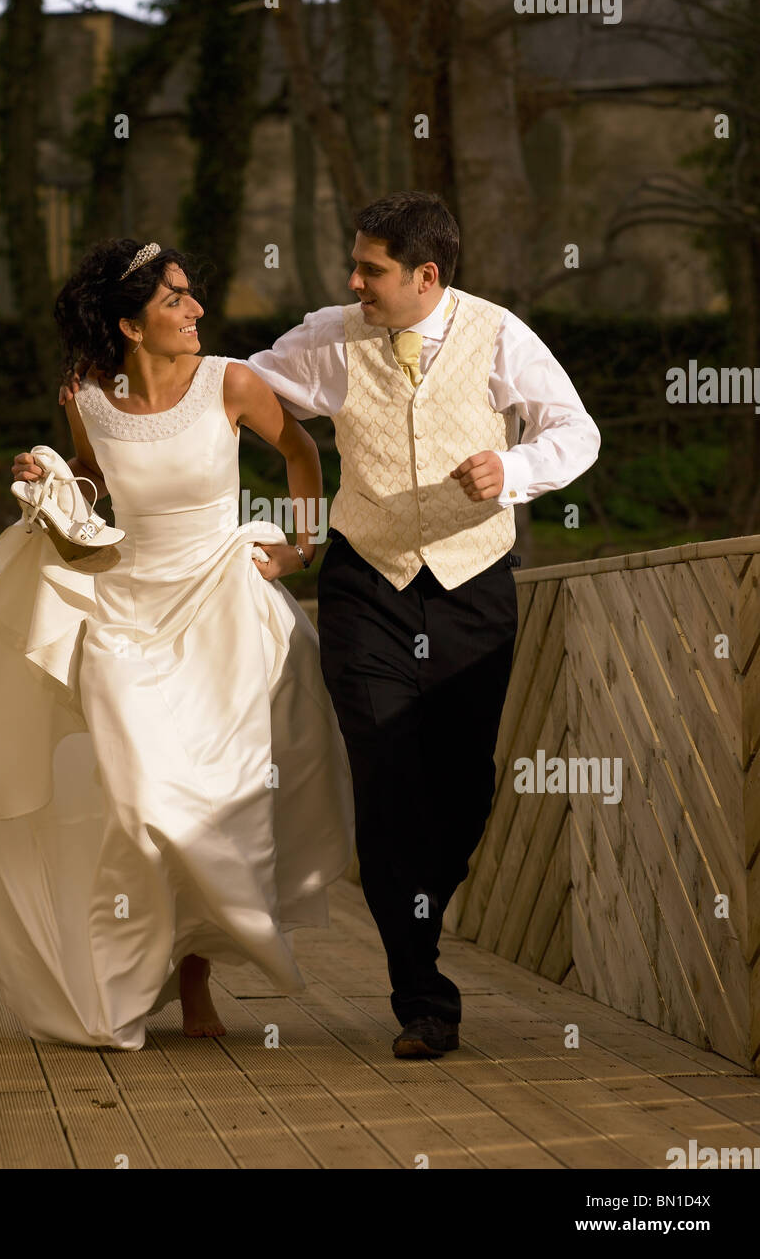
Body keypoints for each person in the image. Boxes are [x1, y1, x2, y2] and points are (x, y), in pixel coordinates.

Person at [0, 238, 354, 1049]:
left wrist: (303, 549)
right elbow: (94, 478)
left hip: (223, 606)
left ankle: (193, 979)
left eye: (190, 294)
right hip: (124, 612)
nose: (196, 309)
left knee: (209, 800)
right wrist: (53, 477)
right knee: (142, 799)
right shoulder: (85, 396)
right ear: (129, 324)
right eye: (175, 299)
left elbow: (301, 451)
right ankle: (129, 975)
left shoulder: (231, 381)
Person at [242, 191, 601, 1058]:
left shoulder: (499, 334)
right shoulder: (329, 338)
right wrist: (115, 399)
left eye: (370, 269)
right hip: (366, 582)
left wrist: (513, 467)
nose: (353, 281)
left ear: (425, 275)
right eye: (354, 265)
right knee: (385, 771)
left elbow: (575, 430)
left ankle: (418, 906)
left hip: (473, 585)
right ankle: (422, 998)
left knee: (463, 785)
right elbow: (233, 387)